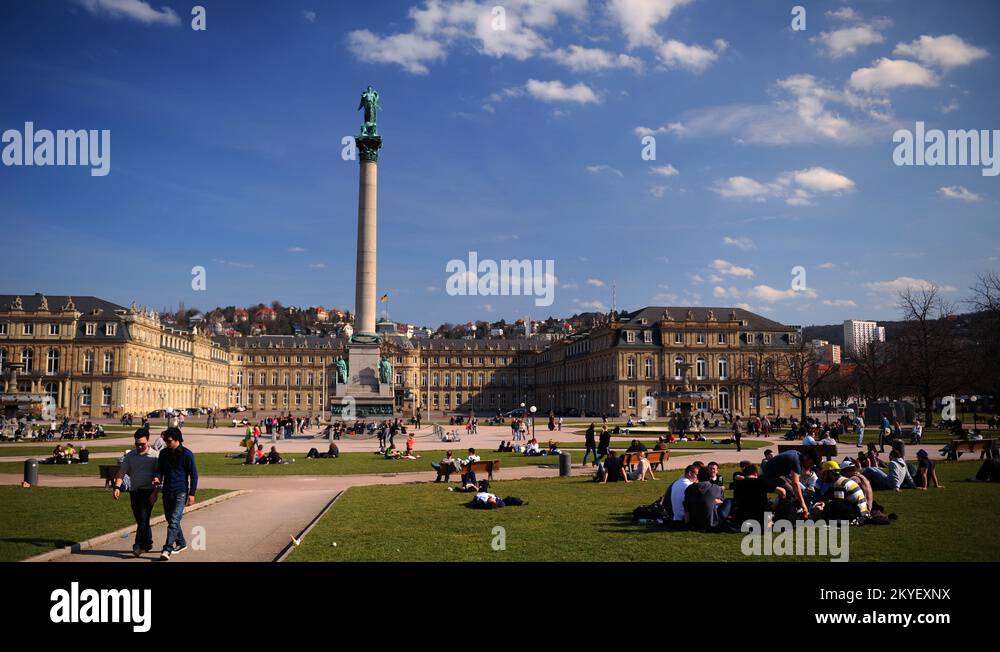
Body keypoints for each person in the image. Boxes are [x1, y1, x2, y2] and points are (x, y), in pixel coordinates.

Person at [152, 428, 198, 561]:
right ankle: (181, 543)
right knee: (171, 520)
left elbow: (194, 476)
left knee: (173, 521)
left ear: (177, 439)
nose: (166, 443)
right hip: (167, 491)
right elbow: (159, 470)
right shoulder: (164, 453)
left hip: (181, 492)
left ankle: (167, 549)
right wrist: (157, 478)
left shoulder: (187, 454)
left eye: (169, 441)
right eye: (165, 440)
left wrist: (192, 494)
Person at [113, 430, 160, 557]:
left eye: (142, 444)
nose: (139, 447)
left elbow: (160, 476)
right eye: (137, 444)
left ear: (148, 441)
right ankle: (148, 542)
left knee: (143, 518)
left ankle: (138, 545)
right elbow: (122, 472)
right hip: (134, 492)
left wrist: (155, 493)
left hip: (148, 492)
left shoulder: (155, 456)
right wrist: (117, 487)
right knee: (141, 520)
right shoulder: (130, 456)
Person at [761, 449, 818, 519]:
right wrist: (803, 505)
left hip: (773, 475)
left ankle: (778, 512)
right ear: (807, 457)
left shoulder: (797, 454)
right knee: (790, 492)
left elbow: (792, 480)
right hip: (766, 477)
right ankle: (778, 515)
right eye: (811, 463)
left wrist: (802, 490)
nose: (810, 466)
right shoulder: (796, 461)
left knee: (792, 492)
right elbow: (795, 484)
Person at [683, 466, 731, 531]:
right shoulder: (714, 487)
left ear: (698, 476)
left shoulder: (689, 488)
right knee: (728, 501)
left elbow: (686, 507)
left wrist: (687, 524)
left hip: (694, 522)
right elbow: (721, 499)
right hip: (710, 522)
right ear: (709, 477)